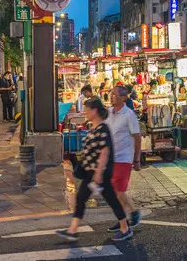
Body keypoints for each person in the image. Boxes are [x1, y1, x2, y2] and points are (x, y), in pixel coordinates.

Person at [56, 98, 133, 242]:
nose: (85, 112)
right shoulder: (94, 127)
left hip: (100, 172)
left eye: (87, 110)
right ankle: (73, 230)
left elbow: (105, 151)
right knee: (81, 198)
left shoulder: (103, 128)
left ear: (95, 111)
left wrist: (98, 172)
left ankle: (125, 228)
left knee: (111, 199)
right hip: (91, 172)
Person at [105, 86, 142, 231]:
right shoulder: (108, 113)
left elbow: (137, 138)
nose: (111, 96)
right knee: (115, 191)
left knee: (118, 191)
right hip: (111, 158)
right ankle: (124, 218)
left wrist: (137, 159)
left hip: (124, 158)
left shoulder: (129, 115)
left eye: (114, 94)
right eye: (110, 94)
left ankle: (131, 214)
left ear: (123, 97)